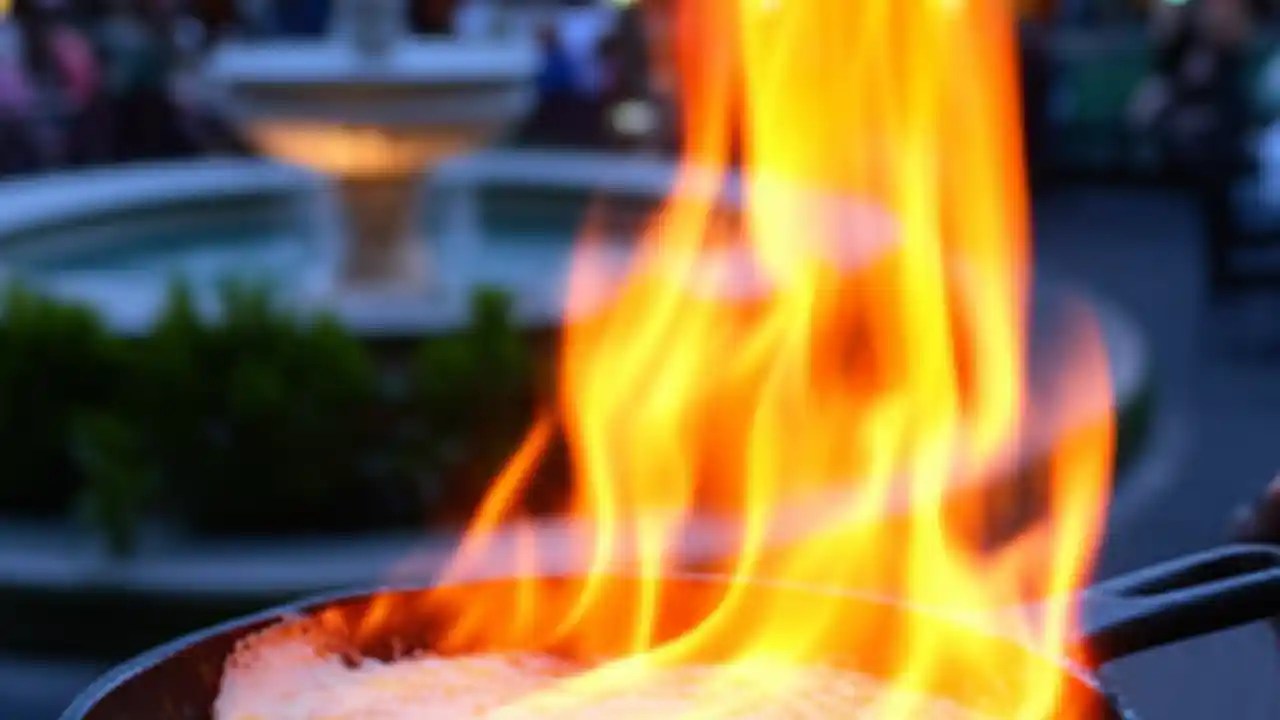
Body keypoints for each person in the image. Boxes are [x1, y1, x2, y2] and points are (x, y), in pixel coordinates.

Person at [1138, 0, 1254, 300]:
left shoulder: (1223, 52)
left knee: (1218, 196)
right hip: (1203, 141)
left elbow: (1231, 105)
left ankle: (1225, 266)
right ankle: (1221, 267)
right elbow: (1167, 66)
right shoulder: (1185, 40)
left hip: (1219, 140)